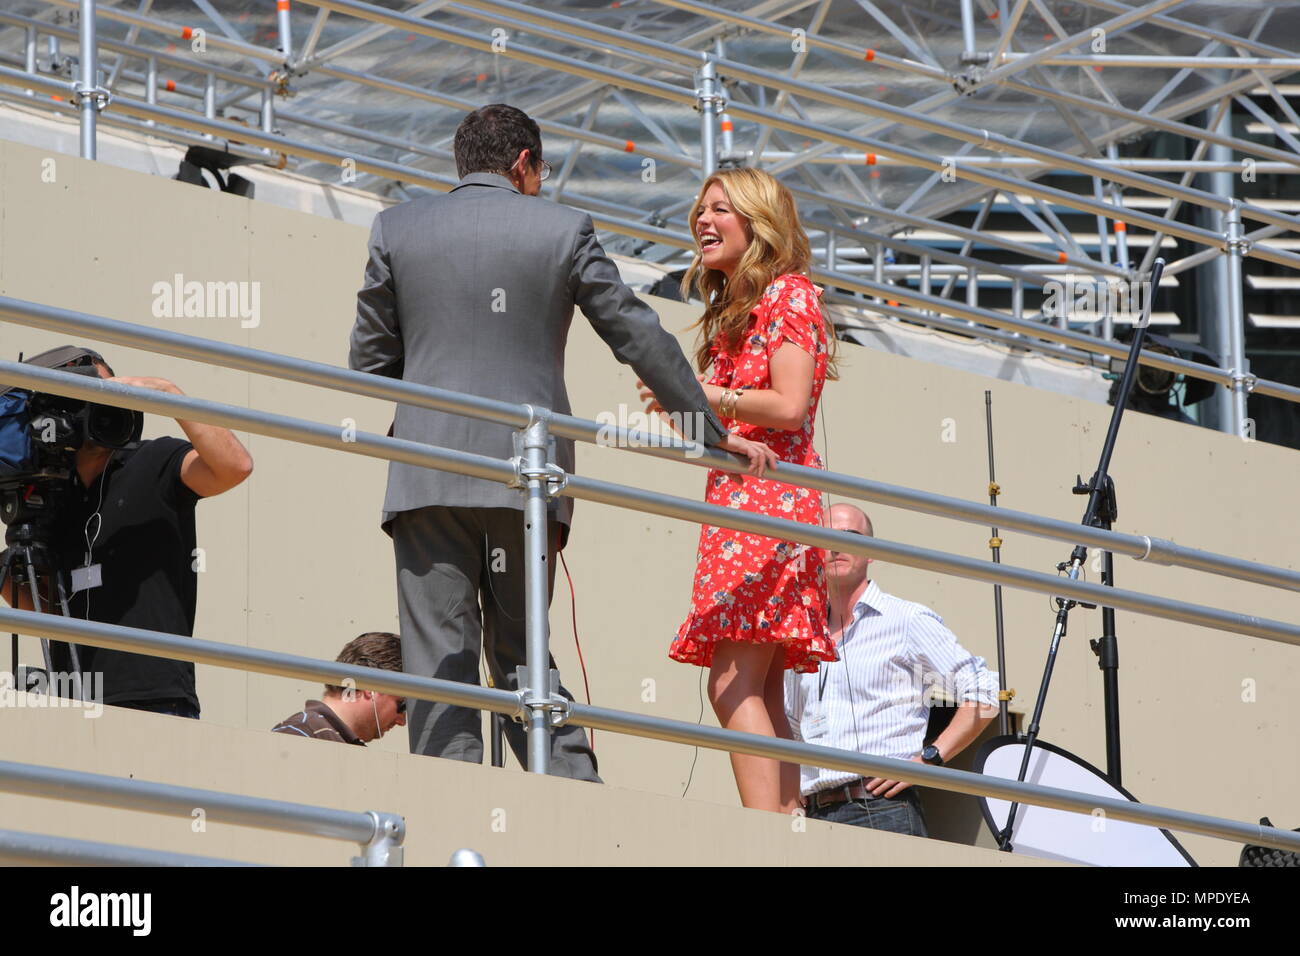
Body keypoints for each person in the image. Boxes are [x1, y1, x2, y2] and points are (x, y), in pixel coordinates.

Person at [348, 104, 775, 779]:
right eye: (540, 173)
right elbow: (639, 337)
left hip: (426, 473)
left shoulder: (396, 229)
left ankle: (452, 808)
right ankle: (572, 796)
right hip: (529, 473)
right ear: (524, 164)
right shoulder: (562, 230)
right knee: (522, 653)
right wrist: (710, 436)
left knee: (439, 660)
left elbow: (369, 362)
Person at [639, 167, 838, 813]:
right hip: (746, 499)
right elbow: (738, 421)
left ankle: (768, 832)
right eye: (700, 209)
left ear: (758, 222)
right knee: (762, 685)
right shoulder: (742, 311)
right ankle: (786, 822)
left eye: (719, 209)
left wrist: (705, 394)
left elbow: (788, 403)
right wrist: (679, 408)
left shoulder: (790, 295)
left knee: (732, 684)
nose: (702, 220)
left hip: (767, 502)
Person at [3, 345, 253, 718]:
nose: (101, 403)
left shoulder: (154, 460)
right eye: (86, 394)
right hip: (70, 701)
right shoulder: (51, 488)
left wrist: (168, 393)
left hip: (153, 697)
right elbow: (50, 609)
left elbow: (235, 466)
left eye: (109, 391)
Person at [785, 503, 1000, 836]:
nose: (836, 545)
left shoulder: (906, 620)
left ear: (872, 552)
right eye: (825, 536)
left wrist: (929, 759)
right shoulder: (802, 638)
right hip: (812, 816)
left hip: (881, 809)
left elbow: (984, 693)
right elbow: (789, 728)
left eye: (850, 535)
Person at [272, 632, 407, 745]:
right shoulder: (299, 734)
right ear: (369, 686)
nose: (402, 721)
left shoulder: (313, 735)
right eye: (401, 705)